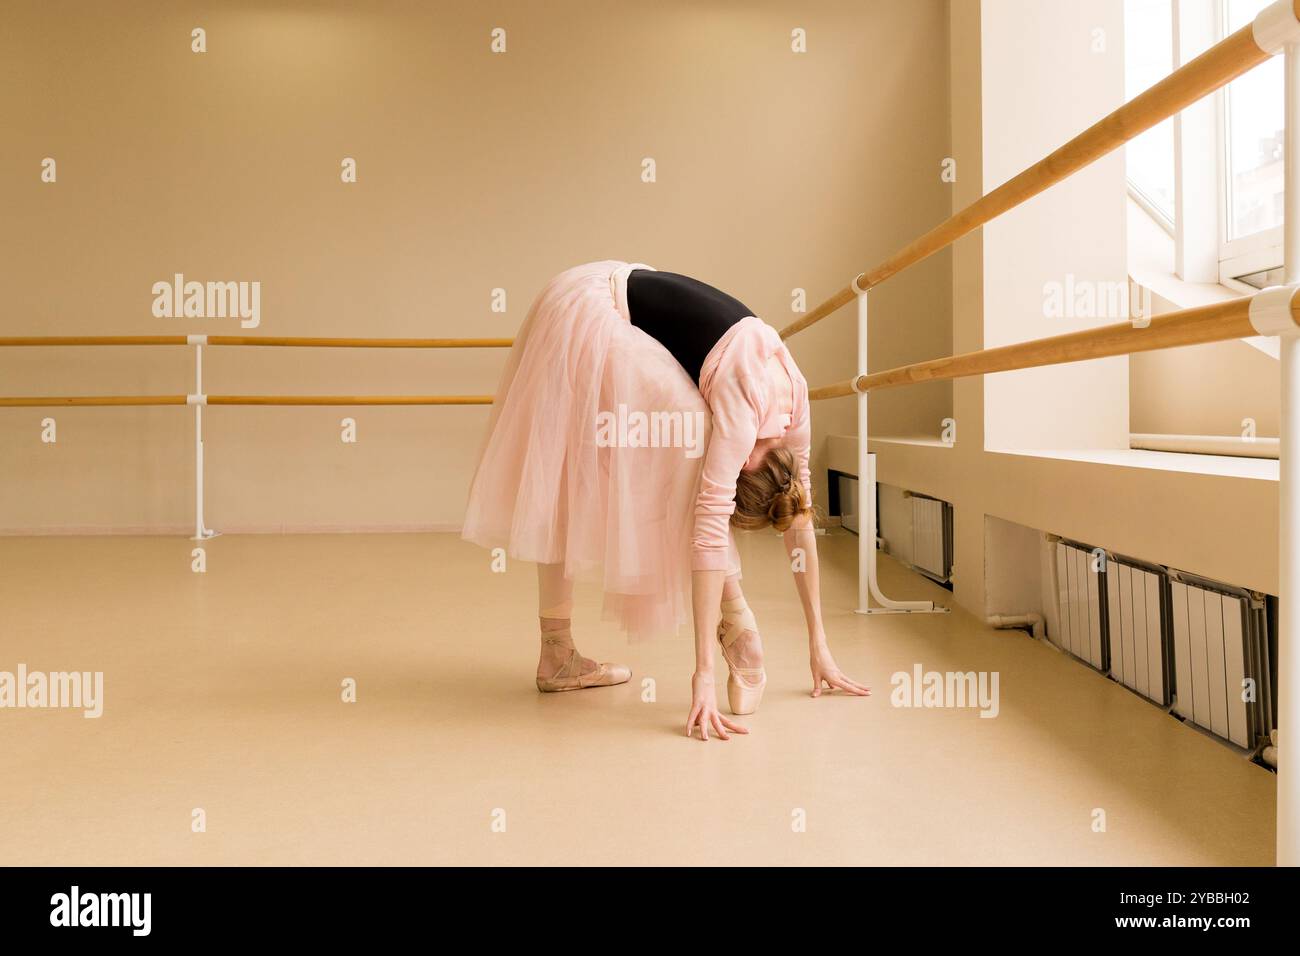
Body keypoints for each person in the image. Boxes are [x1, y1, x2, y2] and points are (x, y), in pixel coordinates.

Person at [462, 261, 869, 741]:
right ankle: (739, 631)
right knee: (688, 438)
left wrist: (819, 644)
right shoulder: (739, 423)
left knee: (573, 470)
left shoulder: (794, 405)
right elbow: (707, 535)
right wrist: (701, 678)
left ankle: (557, 652)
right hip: (594, 305)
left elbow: (799, 523)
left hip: (593, 291)